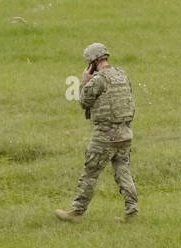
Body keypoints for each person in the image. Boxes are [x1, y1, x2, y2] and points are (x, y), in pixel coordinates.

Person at [56, 43, 138, 222]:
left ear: (92, 63)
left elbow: (84, 102)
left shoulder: (98, 80)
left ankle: (77, 211)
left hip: (105, 136)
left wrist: (84, 81)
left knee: (90, 173)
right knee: (123, 171)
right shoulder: (122, 74)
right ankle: (132, 211)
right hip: (125, 133)